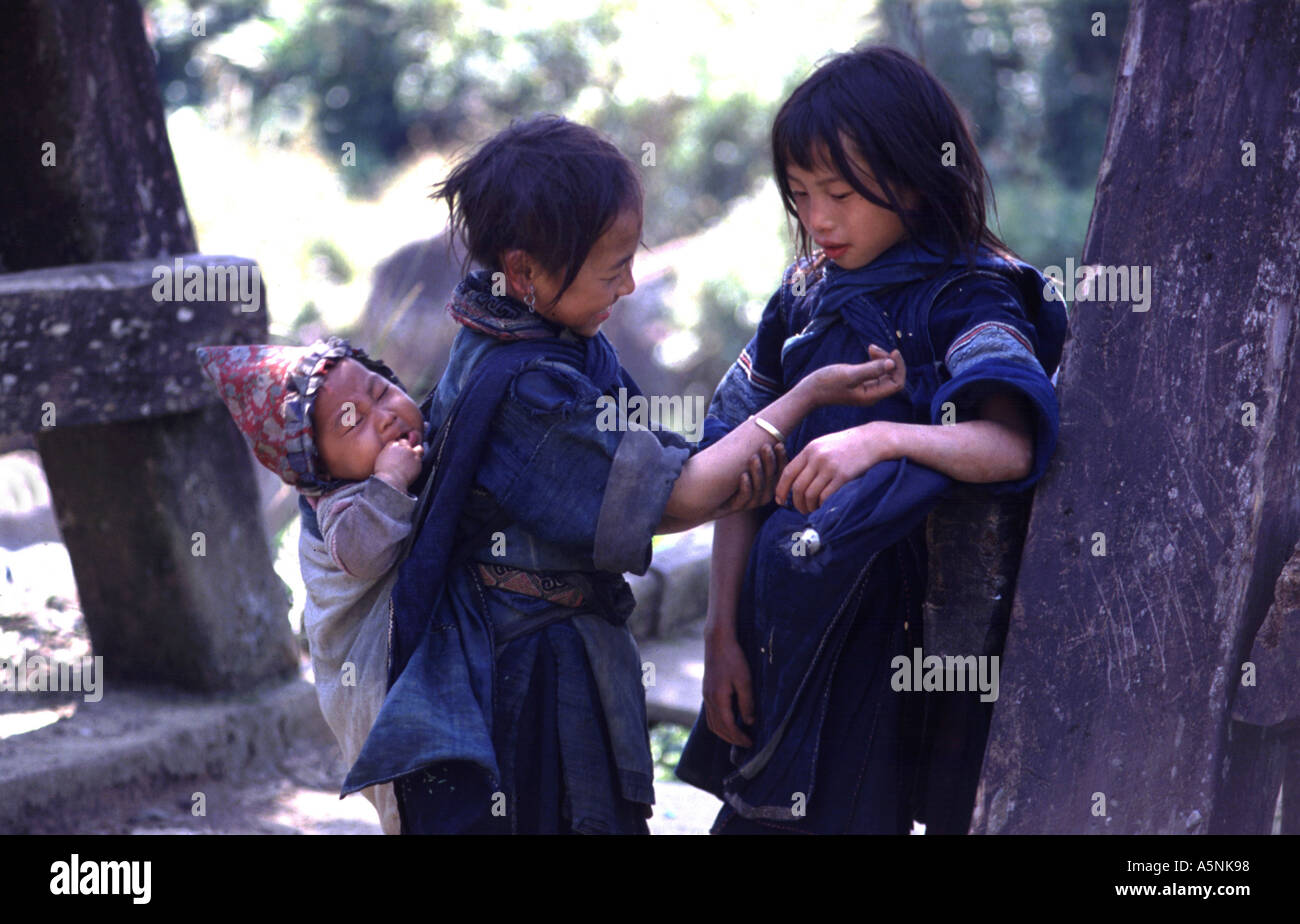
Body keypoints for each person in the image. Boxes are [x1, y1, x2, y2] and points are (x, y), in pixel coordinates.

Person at [337, 114, 908, 834]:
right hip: (526, 674)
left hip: (563, 647)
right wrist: (805, 397)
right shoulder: (527, 389)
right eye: (612, 272)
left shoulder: (544, 335)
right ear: (524, 273)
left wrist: (747, 470)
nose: (631, 285)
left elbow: (669, 468)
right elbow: (674, 497)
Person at [675, 45, 1069, 833]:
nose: (818, 220)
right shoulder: (801, 300)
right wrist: (722, 633)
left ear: (915, 177)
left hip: (910, 633)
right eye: (800, 195)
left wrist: (885, 439)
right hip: (787, 619)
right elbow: (741, 464)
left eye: (841, 193)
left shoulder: (970, 294)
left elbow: (1011, 444)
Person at [195, 338, 426, 835]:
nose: (385, 417)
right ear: (317, 466)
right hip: (374, 688)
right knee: (414, 802)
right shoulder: (338, 507)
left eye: (381, 392)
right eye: (352, 423)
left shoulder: (415, 444)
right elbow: (363, 554)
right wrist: (390, 482)